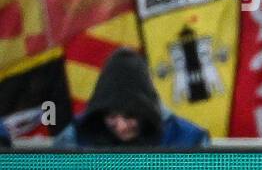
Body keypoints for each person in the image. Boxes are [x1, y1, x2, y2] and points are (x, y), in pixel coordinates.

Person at [53, 48, 210, 148]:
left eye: (130, 116)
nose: (121, 126)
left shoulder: (189, 140)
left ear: (147, 112)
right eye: (112, 116)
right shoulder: (75, 137)